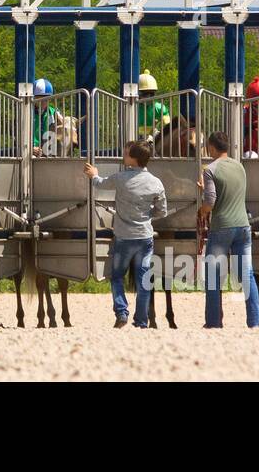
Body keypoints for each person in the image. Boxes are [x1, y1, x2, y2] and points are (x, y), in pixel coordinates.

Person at [83, 141, 167, 328]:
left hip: (123, 237)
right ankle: (141, 321)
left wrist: (94, 174)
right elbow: (162, 211)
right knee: (143, 280)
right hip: (145, 237)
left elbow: (100, 184)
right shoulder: (156, 182)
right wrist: (146, 215)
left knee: (117, 276)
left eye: (127, 153)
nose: (124, 154)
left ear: (133, 159)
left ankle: (122, 313)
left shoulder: (121, 178)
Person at [198, 131, 259, 328]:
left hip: (222, 227)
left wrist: (202, 211)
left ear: (211, 148)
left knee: (213, 277)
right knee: (247, 275)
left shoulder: (210, 169)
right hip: (243, 226)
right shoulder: (239, 166)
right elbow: (230, 192)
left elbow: (211, 200)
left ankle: (214, 322)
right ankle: (254, 321)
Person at [135, 70, 170, 142]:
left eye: (152, 93)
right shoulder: (133, 108)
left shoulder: (160, 108)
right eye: (145, 93)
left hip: (152, 135)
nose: (149, 96)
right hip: (134, 135)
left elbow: (168, 127)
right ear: (138, 94)